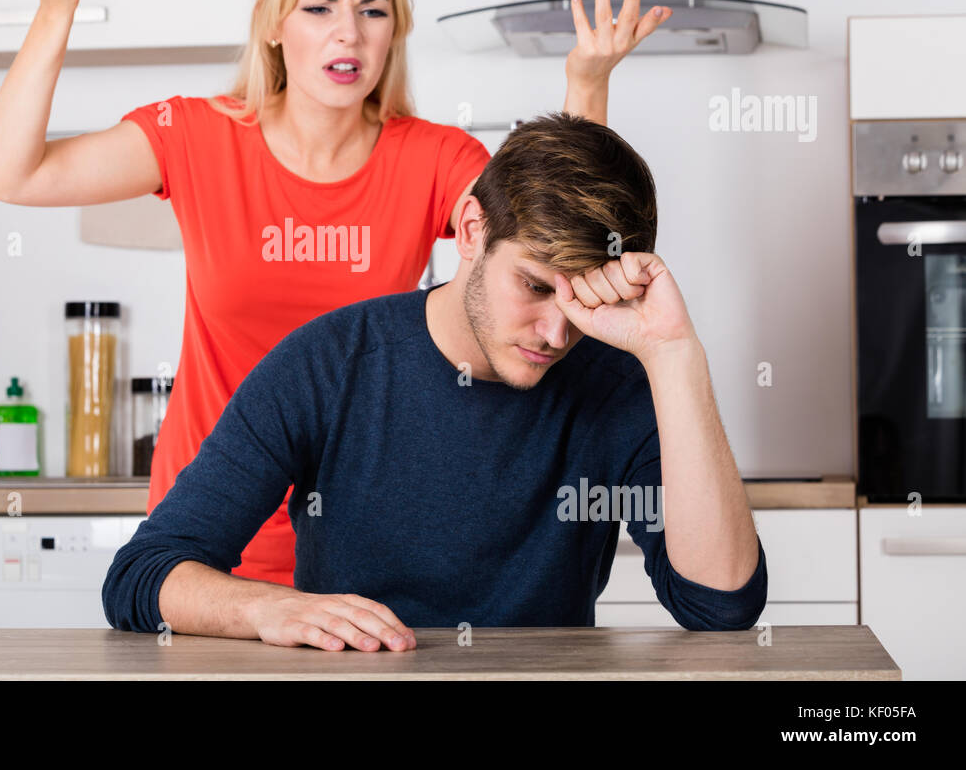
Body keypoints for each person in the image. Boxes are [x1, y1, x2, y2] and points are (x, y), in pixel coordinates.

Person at [0, 0, 674, 586]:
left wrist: (586, 85)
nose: (350, 34)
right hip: (212, 538)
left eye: (374, 11)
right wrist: (55, 8)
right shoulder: (194, 134)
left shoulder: (431, 158)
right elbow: (12, 174)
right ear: (273, 23)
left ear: (394, 30)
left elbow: (555, 230)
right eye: (319, 8)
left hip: (357, 539)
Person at [102, 112, 767, 650]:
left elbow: (720, 606)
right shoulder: (328, 363)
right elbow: (143, 574)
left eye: (582, 302)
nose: (556, 333)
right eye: (535, 287)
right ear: (472, 231)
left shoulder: (617, 384)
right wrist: (266, 608)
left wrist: (675, 354)